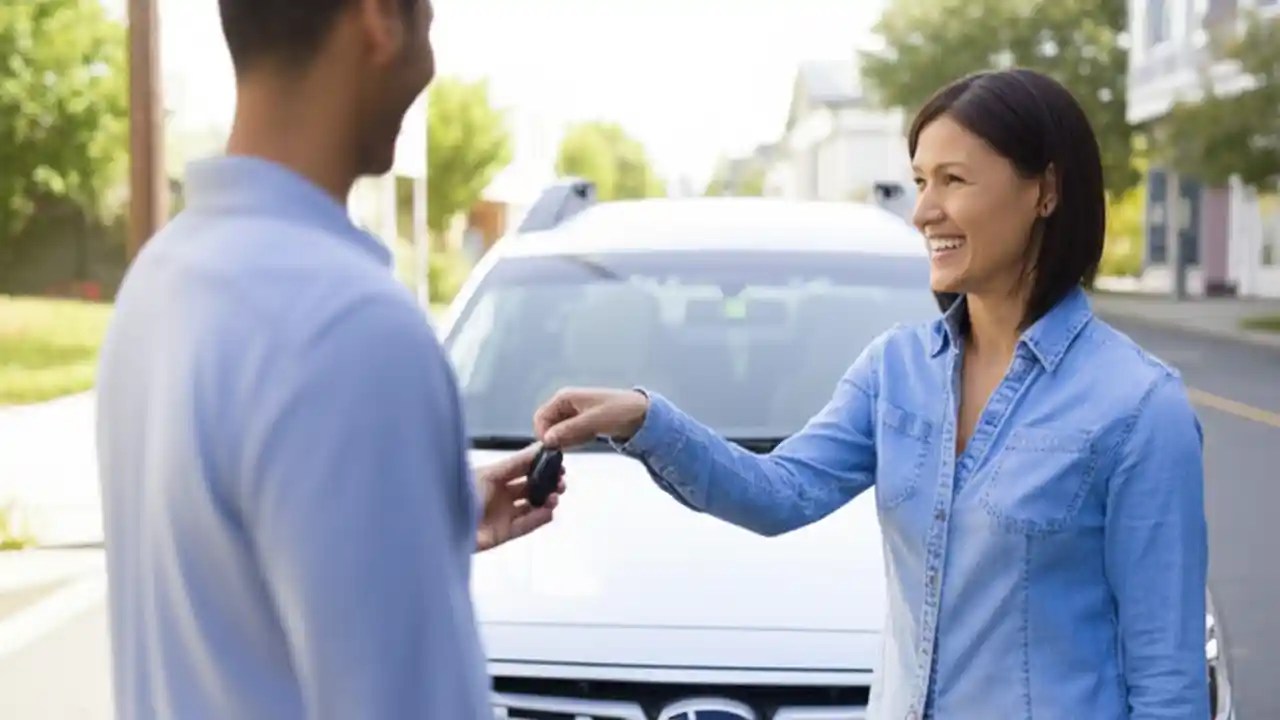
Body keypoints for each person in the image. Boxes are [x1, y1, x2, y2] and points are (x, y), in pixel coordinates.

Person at [534, 69, 1209, 720]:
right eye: (920, 181)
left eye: (953, 180)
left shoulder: (1138, 407)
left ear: (1046, 191)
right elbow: (780, 492)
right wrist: (646, 420)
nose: (924, 212)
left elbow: (1167, 681)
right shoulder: (896, 370)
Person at [95, 1, 562, 718]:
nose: (429, 66)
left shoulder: (161, 280)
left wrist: (427, 514)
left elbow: (228, 591)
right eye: (428, 18)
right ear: (378, 19)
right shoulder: (351, 327)